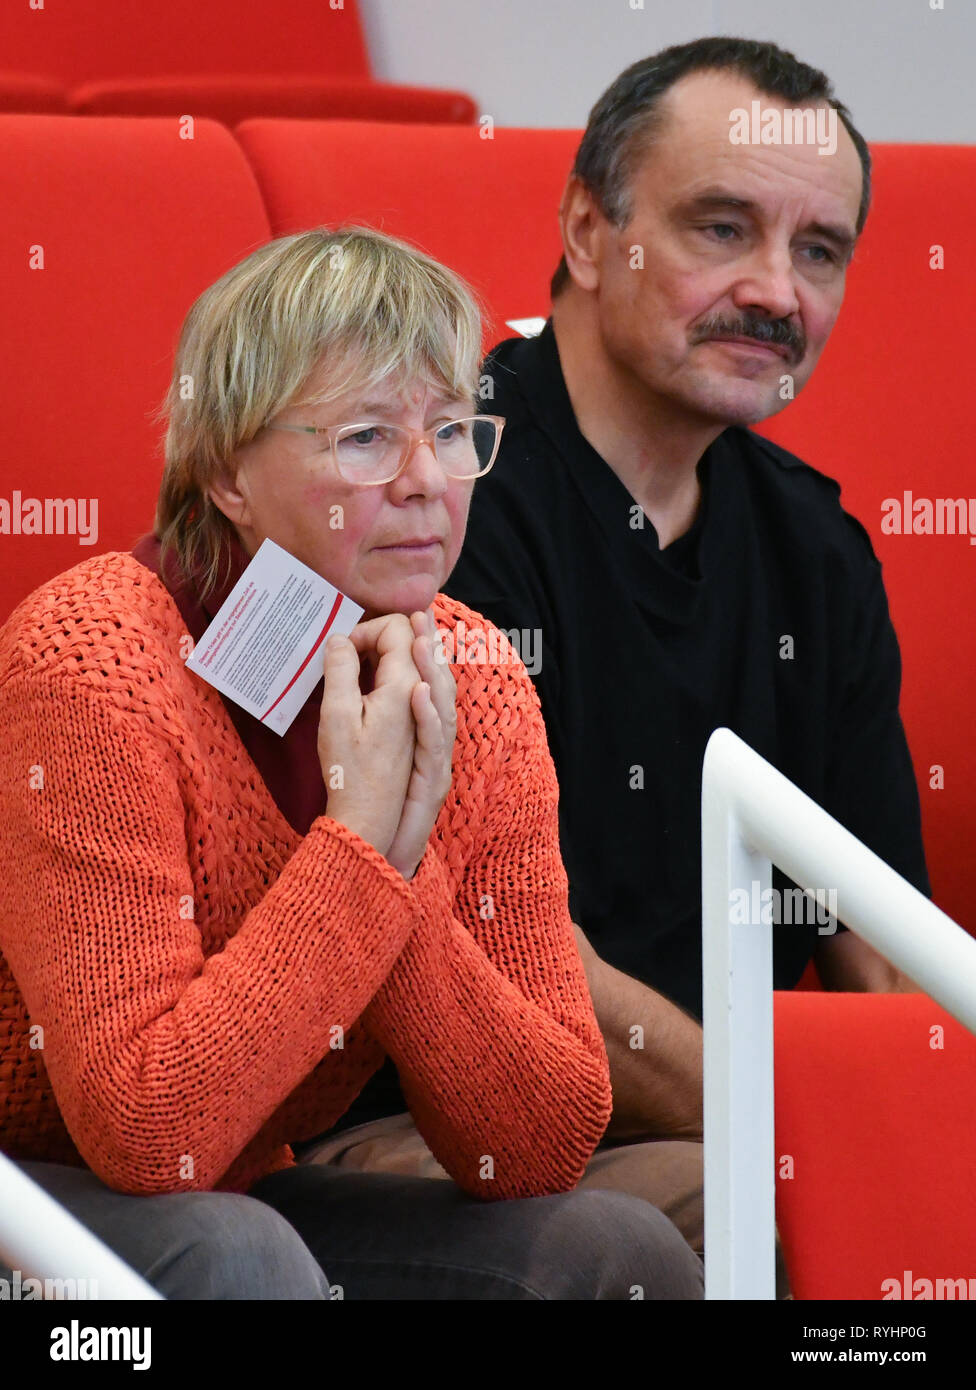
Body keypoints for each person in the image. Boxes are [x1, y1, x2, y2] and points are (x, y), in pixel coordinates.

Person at [318, 39, 928, 1289]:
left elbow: (881, 954)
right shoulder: (437, 500)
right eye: (721, 227)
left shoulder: (819, 550)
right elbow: (503, 958)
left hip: (717, 1125)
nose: (777, 291)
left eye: (819, 252)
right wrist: (802, 1128)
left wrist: (909, 1116)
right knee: (737, 1212)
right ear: (589, 234)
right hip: (427, 1130)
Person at [0, 227, 703, 1300]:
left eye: (453, 431)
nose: (429, 482)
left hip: (230, 1187)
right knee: (237, 1255)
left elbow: (537, 1143)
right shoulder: (91, 662)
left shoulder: (472, 672)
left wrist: (393, 865)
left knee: (616, 1248)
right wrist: (358, 850)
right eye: (369, 438)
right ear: (230, 471)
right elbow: (147, 1132)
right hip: (38, 1182)